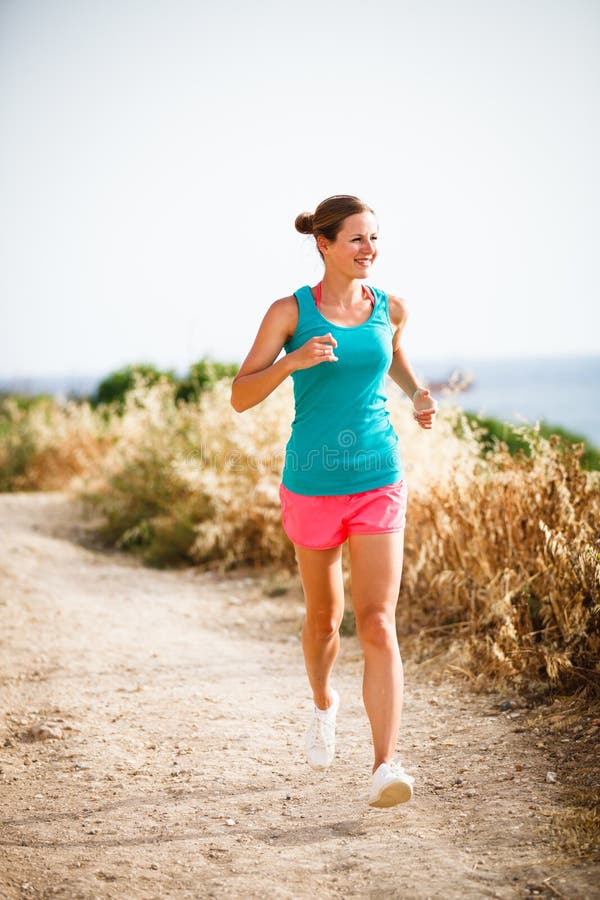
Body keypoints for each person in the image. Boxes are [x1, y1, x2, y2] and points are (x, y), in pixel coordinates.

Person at [230, 195, 437, 808]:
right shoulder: (289, 312)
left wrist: (419, 392)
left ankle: (384, 765)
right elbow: (241, 395)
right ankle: (324, 704)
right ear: (324, 245)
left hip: (378, 476)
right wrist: (292, 361)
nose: (369, 249)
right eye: (356, 240)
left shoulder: (390, 308)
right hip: (313, 483)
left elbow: (391, 354)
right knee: (324, 620)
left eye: (374, 239)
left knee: (377, 621)